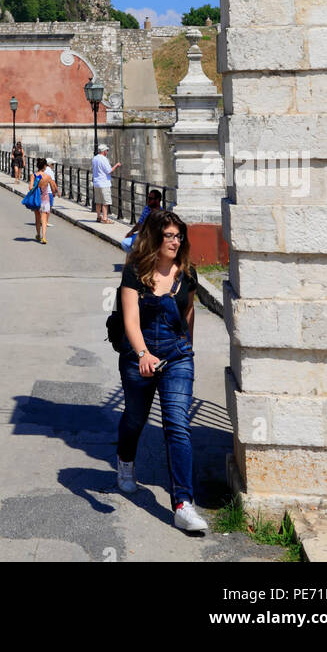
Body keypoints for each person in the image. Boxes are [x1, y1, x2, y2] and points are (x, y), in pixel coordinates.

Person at [116, 210, 208, 535]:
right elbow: (129, 319)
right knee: (135, 419)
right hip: (138, 353)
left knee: (178, 426)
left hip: (176, 356)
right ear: (155, 237)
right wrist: (142, 353)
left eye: (178, 235)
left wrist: (188, 350)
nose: (175, 241)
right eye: (168, 235)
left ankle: (183, 504)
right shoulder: (135, 272)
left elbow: (189, 311)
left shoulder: (187, 274)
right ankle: (125, 462)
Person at [29, 156, 56, 244]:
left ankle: (38, 234)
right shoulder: (47, 177)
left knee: (37, 219)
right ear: (45, 166)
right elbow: (52, 188)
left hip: (37, 200)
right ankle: (44, 237)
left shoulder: (34, 175)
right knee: (44, 219)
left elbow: (30, 188)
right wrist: (54, 193)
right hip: (45, 199)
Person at [92, 144, 121, 224]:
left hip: (96, 182)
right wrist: (116, 165)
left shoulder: (94, 158)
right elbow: (109, 171)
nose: (107, 152)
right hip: (104, 183)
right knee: (105, 202)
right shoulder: (104, 159)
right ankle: (105, 218)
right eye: (107, 151)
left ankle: (98, 216)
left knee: (98, 201)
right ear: (104, 151)